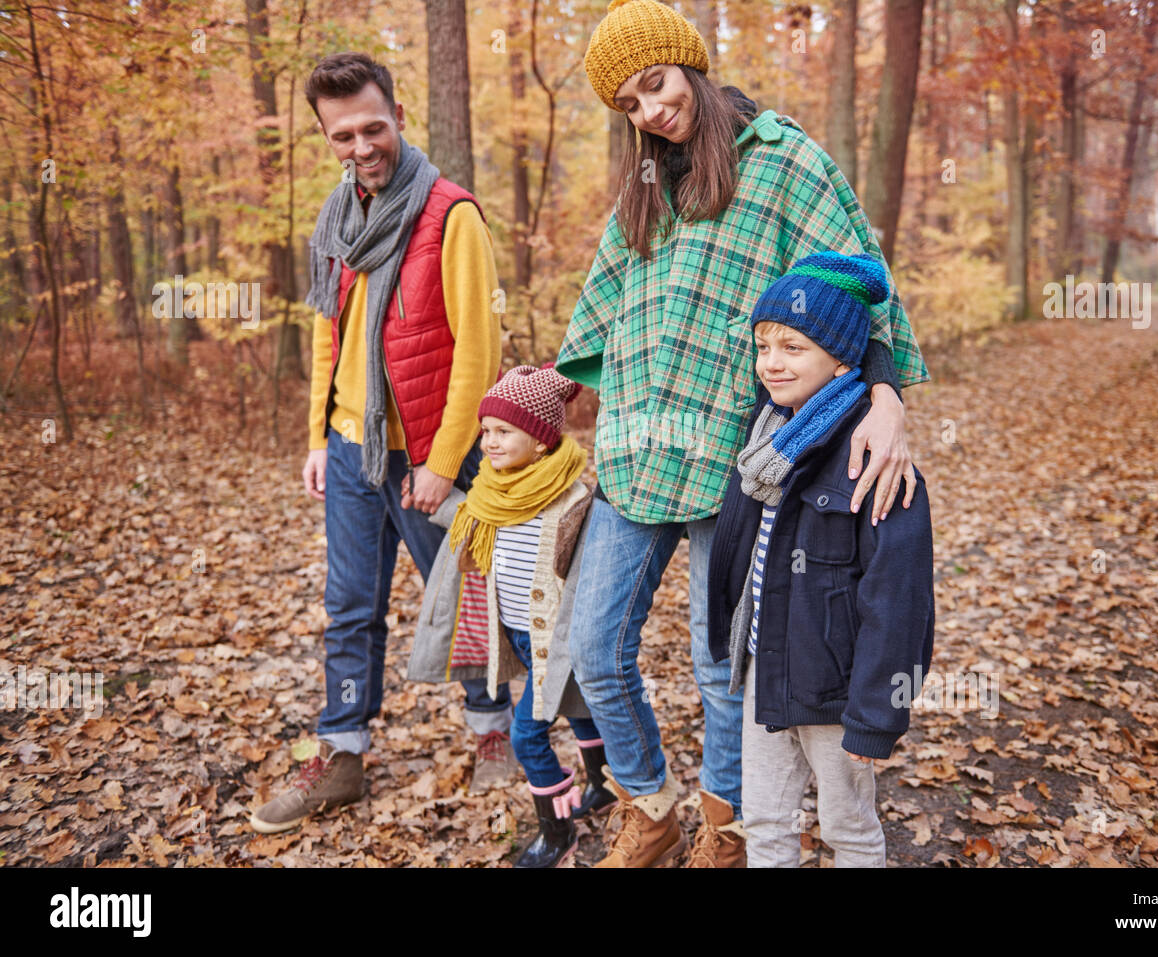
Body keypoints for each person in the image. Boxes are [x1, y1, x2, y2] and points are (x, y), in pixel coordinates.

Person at [553, 0, 930, 866]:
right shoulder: (645, 182)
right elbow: (605, 301)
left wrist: (886, 396)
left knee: (723, 661)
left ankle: (725, 828)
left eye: (656, 85)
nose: (650, 112)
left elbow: (860, 279)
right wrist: (556, 391)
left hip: (736, 455)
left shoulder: (784, 158)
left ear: (691, 63)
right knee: (593, 645)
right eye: (629, 105)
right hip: (638, 447)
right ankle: (650, 804)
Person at [250, 52, 515, 835]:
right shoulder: (336, 221)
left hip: (434, 448)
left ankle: (493, 729)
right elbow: (329, 338)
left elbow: (479, 348)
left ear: (398, 117)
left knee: (464, 597)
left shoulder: (450, 214)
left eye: (373, 127)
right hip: (350, 450)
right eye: (342, 135)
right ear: (326, 138)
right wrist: (315, 438)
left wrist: (440, 461)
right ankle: (341, 754)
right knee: (350, 605)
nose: (361, 146)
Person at [707, 251, 935, 867]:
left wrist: (875, 714)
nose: (772, 363)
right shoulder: (766, 437)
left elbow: (899, 598)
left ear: (841, 359)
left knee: (846, 826)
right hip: (766, 673)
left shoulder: (874, 456)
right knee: (764, 822)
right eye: (764, 346)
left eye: (793, 348)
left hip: (835, 689)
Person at [409, 364, 615, 867]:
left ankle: (556, 830)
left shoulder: (572, 500)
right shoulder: (494, 490)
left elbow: (595, 570)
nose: (490, 443)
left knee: (527, 734)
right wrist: (427, 502)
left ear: (542, 441)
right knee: (581, 708)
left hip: (559, 644)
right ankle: (603, 788)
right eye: (486, 432)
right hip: (518, 637)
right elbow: (470, 516)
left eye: (504, 432)